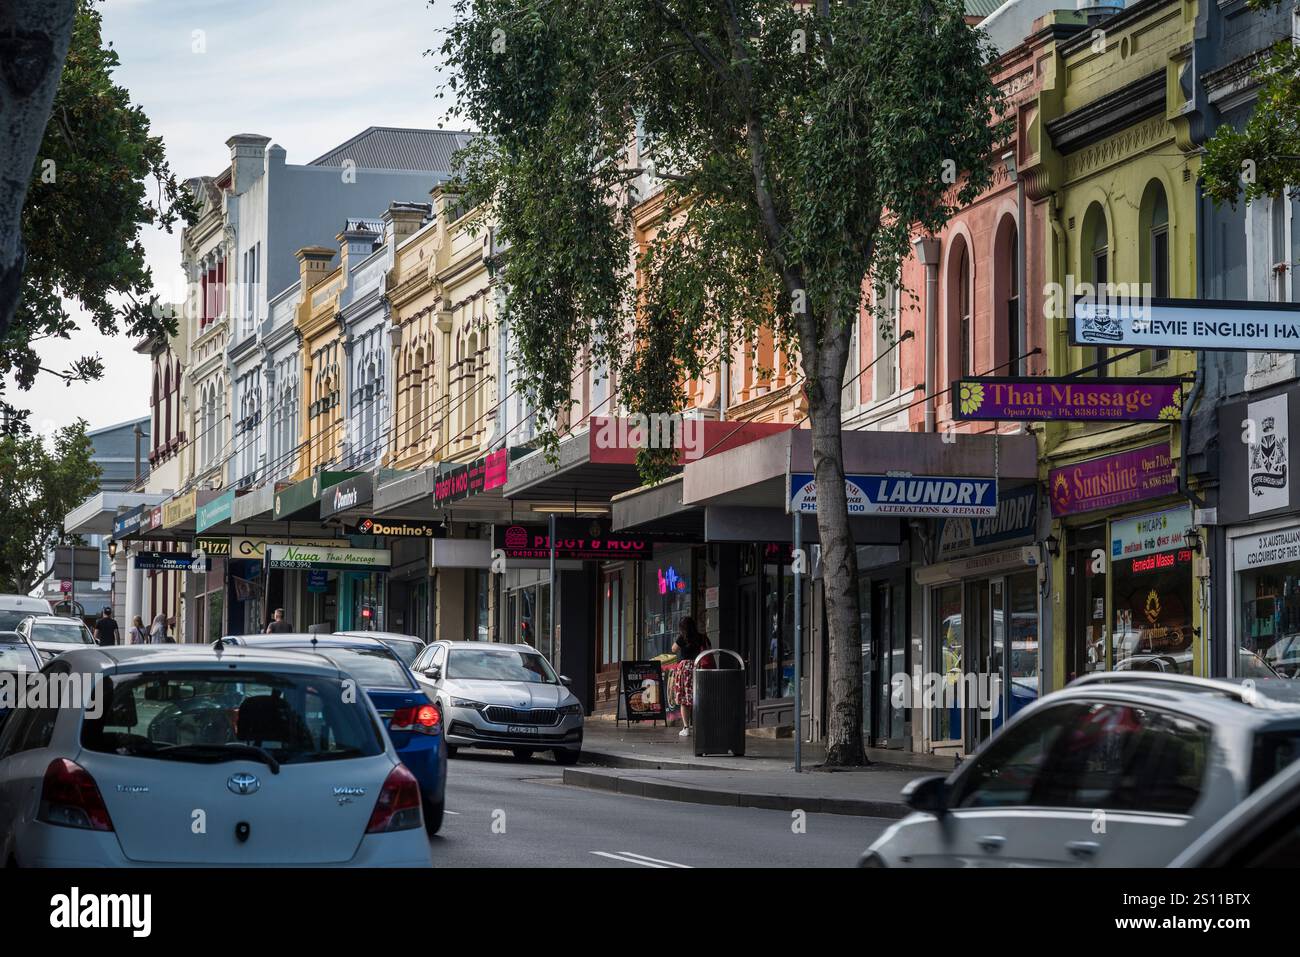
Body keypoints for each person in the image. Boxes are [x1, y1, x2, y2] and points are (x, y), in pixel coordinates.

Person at [670, 617, 710, 737]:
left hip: (684, 669)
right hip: (697, 666)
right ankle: (701, 725)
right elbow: (707, 649)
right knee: (697, 697)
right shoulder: (701, 637)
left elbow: (673, 649)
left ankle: (686, 727)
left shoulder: (683, 637)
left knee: (684, 699)